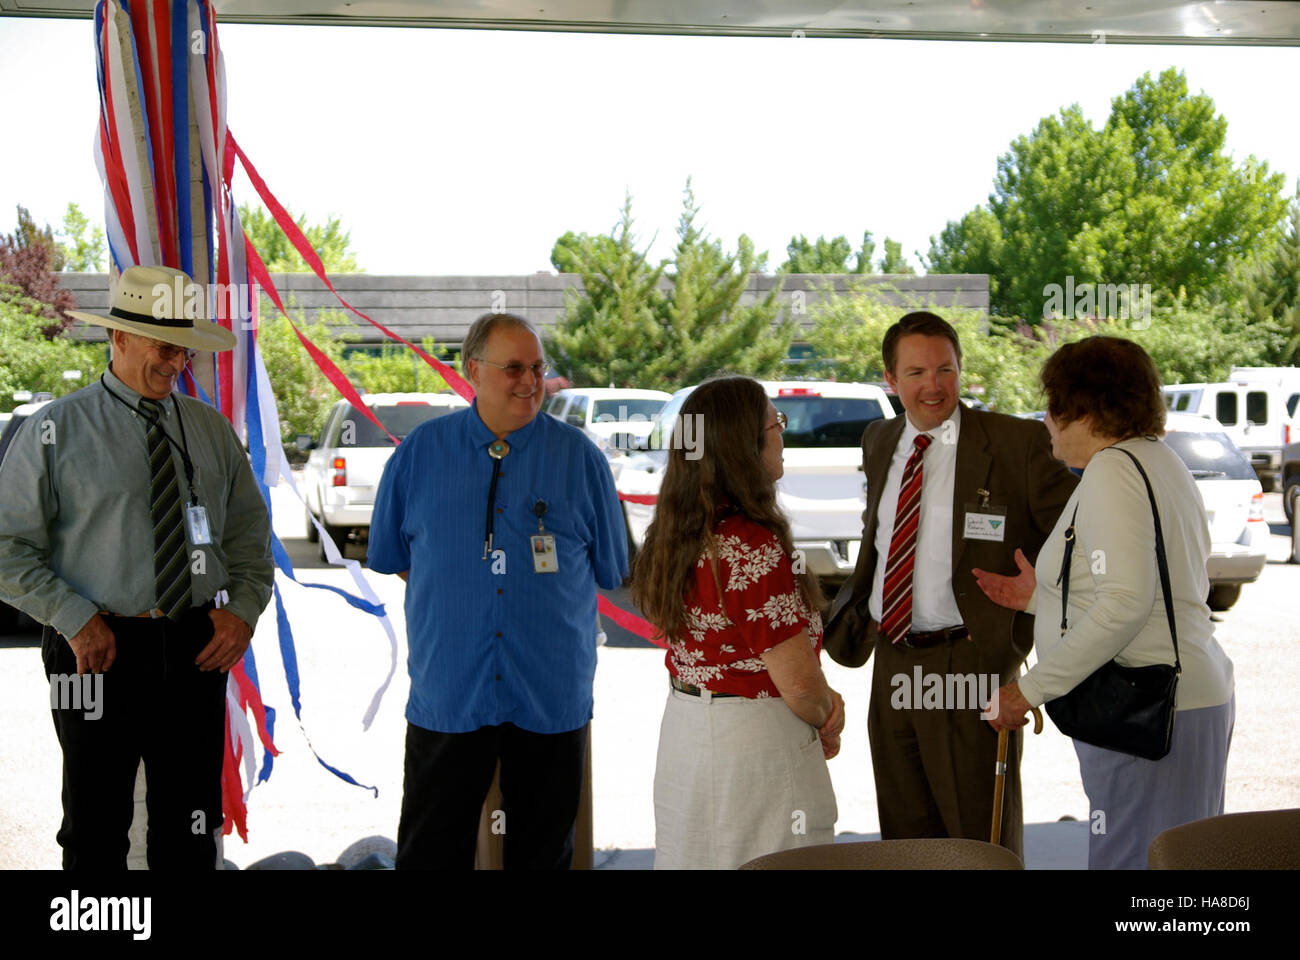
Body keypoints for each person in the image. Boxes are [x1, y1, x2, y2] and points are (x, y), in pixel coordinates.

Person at [0, 264, 273, 869]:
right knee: (93, 829)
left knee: (190, 828)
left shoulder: (211, 431)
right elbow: (5, 548)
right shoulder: (54, 429)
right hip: (90, 649)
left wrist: (243, 615)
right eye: (163, 347)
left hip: (195, 647)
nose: (176, 363)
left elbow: (252, 540)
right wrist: (73, 618)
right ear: (118, 337)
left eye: (183, 349)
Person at [368, 312, 627, 870]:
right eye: (513, 368)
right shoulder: (419, 453)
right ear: (473, 370)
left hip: (549, 692)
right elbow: (395, 558)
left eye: (536, 368)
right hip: (451, 689)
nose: (530, 382)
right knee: (431, 849)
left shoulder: (582, 460)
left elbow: (610, 567)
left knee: (543, 852)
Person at [823, 311, 1077, 858]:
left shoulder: (1017, 443)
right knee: (905, 837)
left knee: (975, 841)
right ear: (890, 380)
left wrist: (1039, 599)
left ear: (961, 370)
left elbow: (1081, 535)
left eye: (945, 370)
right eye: (915, 373)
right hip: (891, 659)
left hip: (971, 664)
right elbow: (883, 538)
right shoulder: (879, 438)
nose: (932, 386)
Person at [975, 336, 1235, 869]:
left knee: (1136, 869)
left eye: (1053, 406)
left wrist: (1028, 690)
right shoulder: (1156, 460)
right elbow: (1150, 589)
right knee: (1178, 872)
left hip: (1148, 708)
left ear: (1084, 410)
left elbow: (1124, 603)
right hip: (1182, 700)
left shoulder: (1114, 470)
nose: (1046, 421)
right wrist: (1043, 598)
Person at [633, 376, 844, 870]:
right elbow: (799, 686)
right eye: (776, 424)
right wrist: (828, 711)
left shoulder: (675, 531)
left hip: (688, 735)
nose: (783, 435)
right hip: (755, 745)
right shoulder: (752, 544)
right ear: (742, 446)